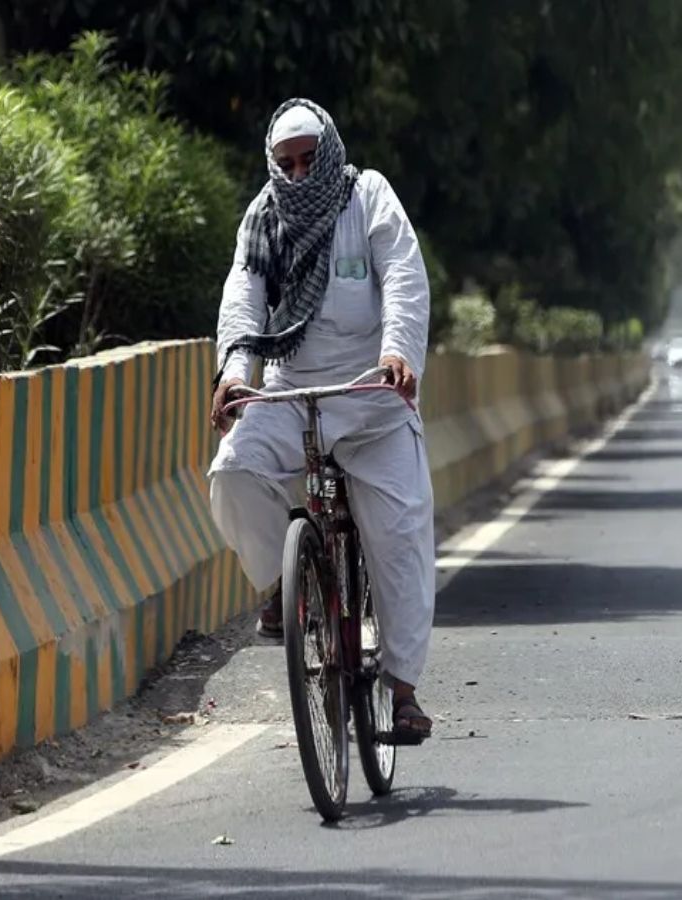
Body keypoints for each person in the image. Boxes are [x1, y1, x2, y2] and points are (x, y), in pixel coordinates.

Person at [207, 98, 435, 742]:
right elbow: (243, 296)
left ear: (330, 152)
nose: (301, 175)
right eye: (288, 164)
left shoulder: (368, 198)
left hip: (370, 393)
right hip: (291, 388)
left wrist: (397, 351)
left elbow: (402, 274)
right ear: (274, 165)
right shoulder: (263, 217)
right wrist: (235, 378)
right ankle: (283, 588)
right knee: (233, 472)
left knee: (399, 533)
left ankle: (403, 689)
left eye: (311, 160)